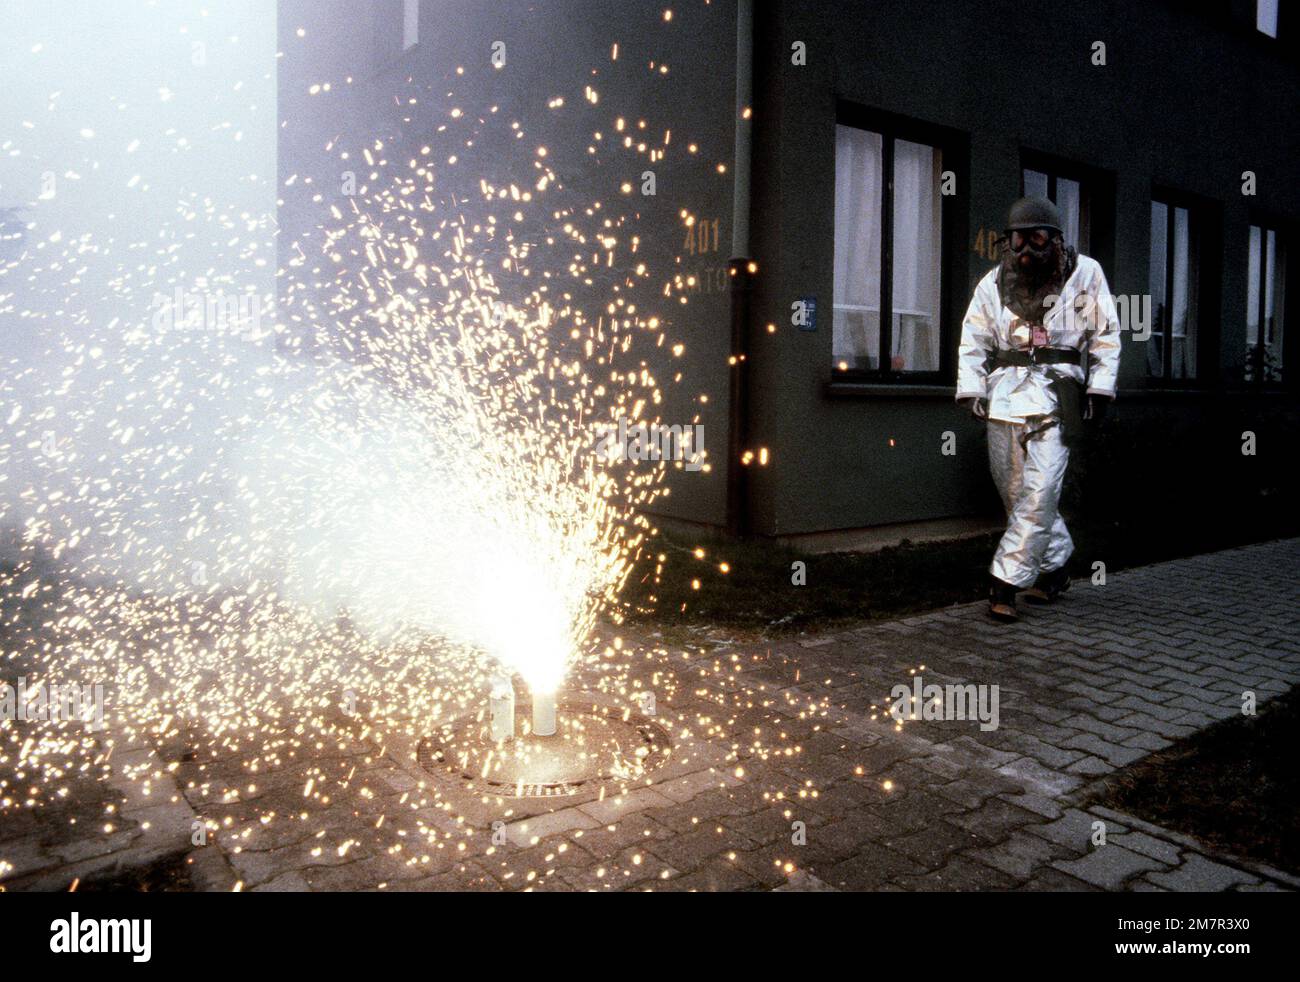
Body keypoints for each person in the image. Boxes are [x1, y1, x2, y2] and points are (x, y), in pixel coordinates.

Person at [956, 196, 1121, 622]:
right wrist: (971, 387)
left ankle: (1005, 583)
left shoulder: (1085, 274)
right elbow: (973, 338)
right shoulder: (993, 282)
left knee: (1042, 490)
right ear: (1007, 241)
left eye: (1037, 238)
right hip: (1005, 396)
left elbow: (1105, 334)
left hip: (1057, 396)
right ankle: (1056, 565)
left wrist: (1100, 390)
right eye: (1018, 239)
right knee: (1016, 494)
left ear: (1055, 239)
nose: (1027, 249)